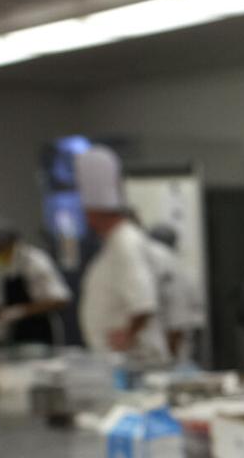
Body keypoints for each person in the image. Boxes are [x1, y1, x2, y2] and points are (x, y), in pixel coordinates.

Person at [73, 146, 168, 364]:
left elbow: (144, 302)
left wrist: (128, 334)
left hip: (135, 362)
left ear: (93, 213)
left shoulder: (126, 243)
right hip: (118, 360)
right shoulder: (115, 242)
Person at [0, 216, 71, 346]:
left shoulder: (34, 261)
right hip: (16, 334)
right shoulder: (0, 265)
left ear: (5, 243)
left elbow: (59, 300)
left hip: (41, 332)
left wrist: (20, 311)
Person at [142, 222, 207, 363]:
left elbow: (178, 319)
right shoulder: (181, 267)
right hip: (182, 332)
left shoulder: (174, 269)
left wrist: (171, 355)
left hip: (186, 333)